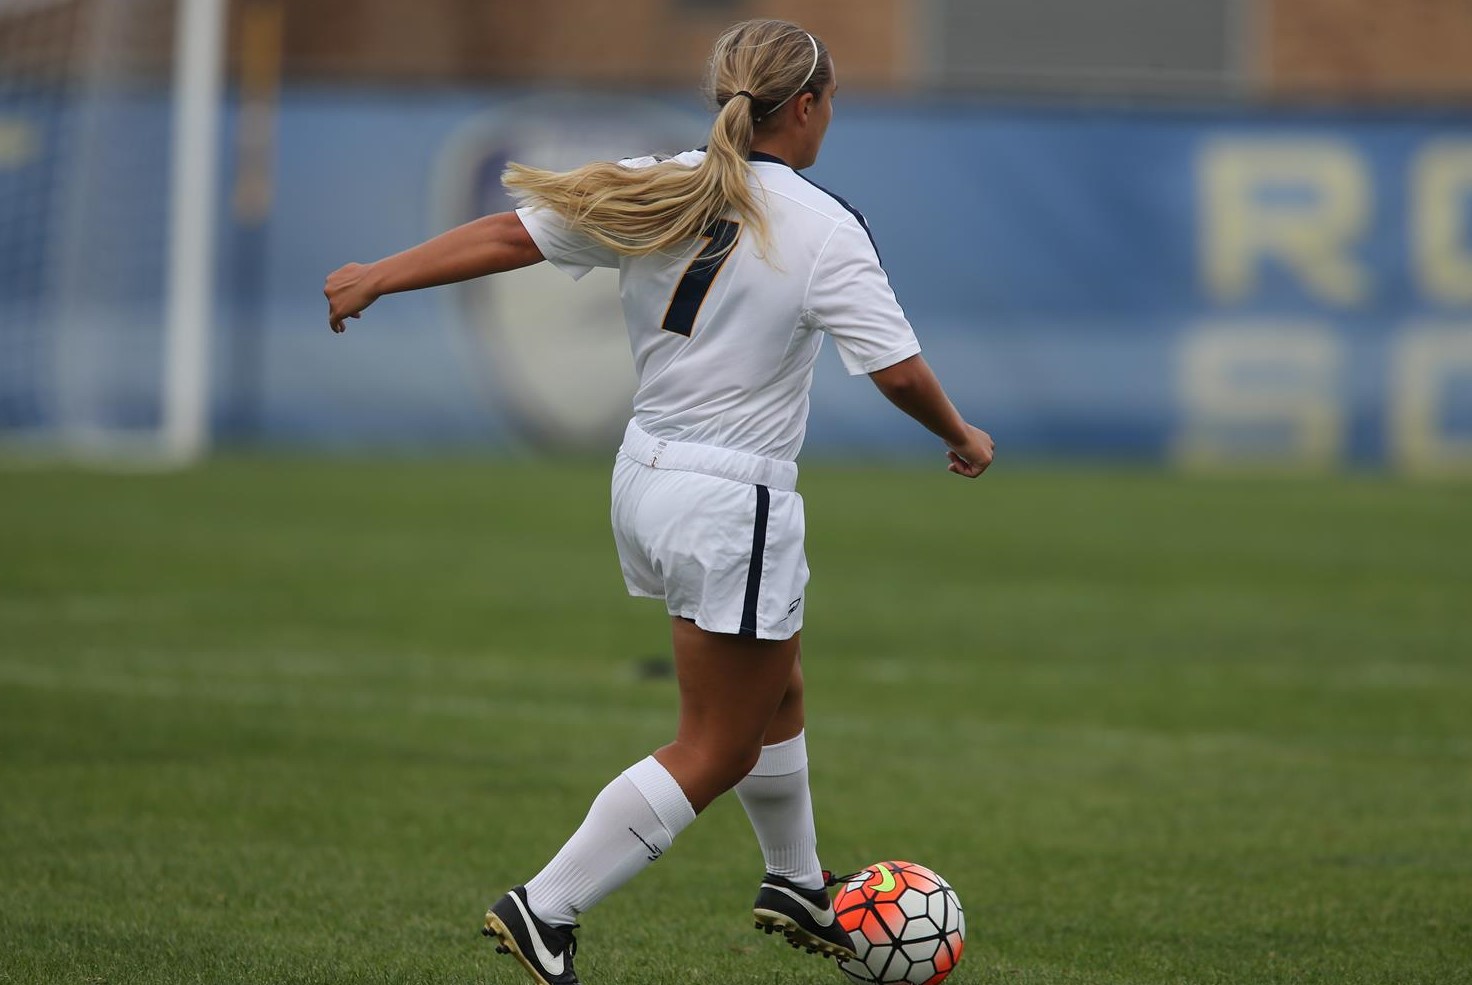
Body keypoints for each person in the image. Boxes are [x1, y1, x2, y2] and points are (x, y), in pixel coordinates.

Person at [324, 18, 993, 985]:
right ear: (806, 107)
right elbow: (895, 371)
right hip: (732, 499)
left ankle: (796, 881)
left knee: (778, 683)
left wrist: (381, 273)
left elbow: (514, 234)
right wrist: (960, 435)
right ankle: (544, 907)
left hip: (646, 478)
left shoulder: (671, 176)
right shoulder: (821, 225)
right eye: (831, 101)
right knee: (716, 743)